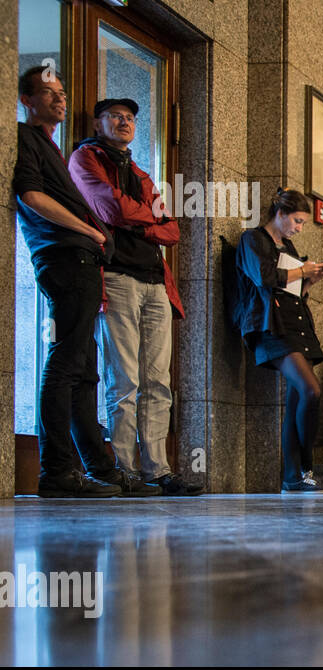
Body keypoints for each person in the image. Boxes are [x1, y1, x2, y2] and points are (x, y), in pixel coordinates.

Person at [13, 66, 156, 497]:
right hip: (62, 258)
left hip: (82, 262)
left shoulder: (53, 147)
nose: (59, 99)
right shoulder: (25, 137)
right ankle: (56, 472)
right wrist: (93, 231)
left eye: (62, 92)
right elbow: (30, 195)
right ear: (27, 100)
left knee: (86, 370)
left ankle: (100, 468)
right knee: (66, 365)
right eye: (48, 92)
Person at [69, 97, 202, 496]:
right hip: (117, 278)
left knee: (158, 380)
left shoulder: (142, 175)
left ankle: (157, 470)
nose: (124, 122)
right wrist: (148, 221)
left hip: (156, 283)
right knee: (123, 380)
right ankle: (124, 470)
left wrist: (140, 222)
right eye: (115, 117)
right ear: (98, 123)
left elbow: (172, 230)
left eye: (129, 118)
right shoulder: (85, 159)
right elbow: (109, 207)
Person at [235, 188, 323, 493]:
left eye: (302, 223)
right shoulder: (253, 239)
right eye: (297, 221)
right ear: (280, 213)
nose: (298, 229)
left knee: (297, 400)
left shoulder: (287, 245)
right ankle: (305, 464)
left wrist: (308, 282)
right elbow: (263, 277)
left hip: (295, 321)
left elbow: (293, 291)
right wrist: (302, 270)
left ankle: (294, 477)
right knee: (310, 390)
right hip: (270, 326)